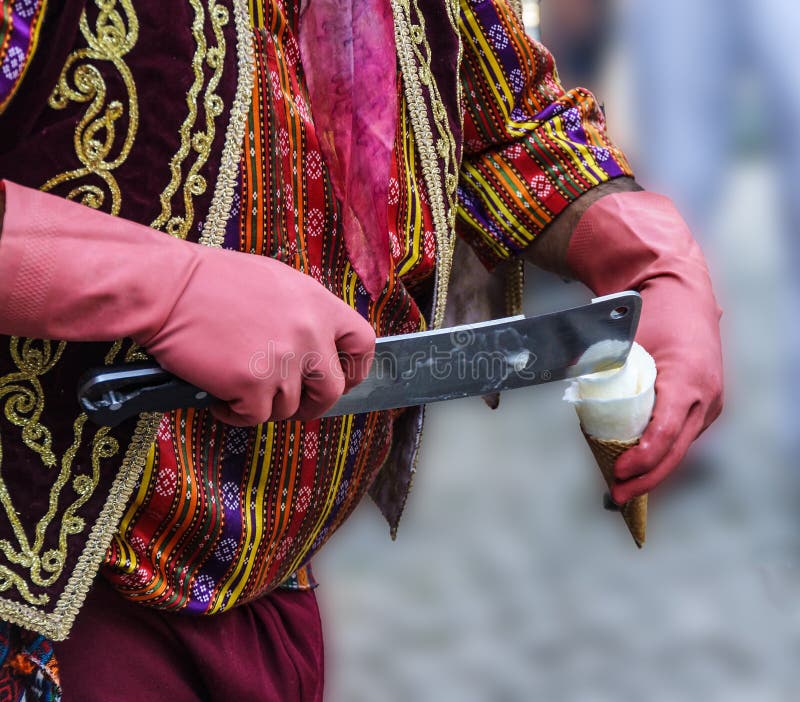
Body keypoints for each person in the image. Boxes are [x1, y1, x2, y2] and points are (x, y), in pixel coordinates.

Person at [0, 0, 722, 699]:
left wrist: (650, 255)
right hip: (55, 600)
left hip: (272, 592)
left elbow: (504, 116)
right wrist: (159, 286)